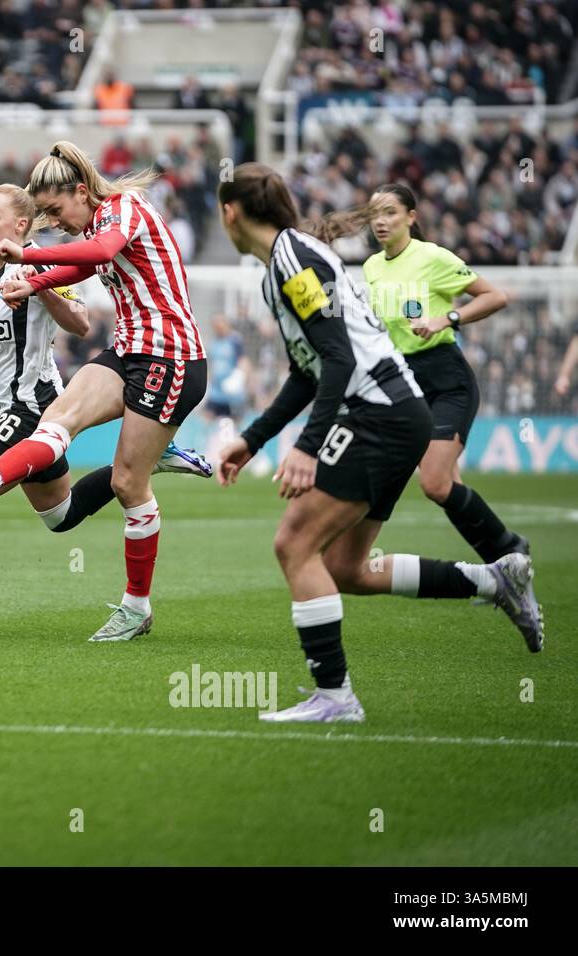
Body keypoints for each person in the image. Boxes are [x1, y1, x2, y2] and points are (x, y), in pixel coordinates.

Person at [212, 164, 543, 723]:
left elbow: (338, 358)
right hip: (396, 412)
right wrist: (253, 439)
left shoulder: (292, 261)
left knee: (294, 543)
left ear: (231, 213)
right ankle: (494, 580)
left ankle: (335, 697)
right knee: (346, 567)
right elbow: (309, 370)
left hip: (379, 414)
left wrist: (306, 447)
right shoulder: (283, 265)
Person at [0, 140, 208, 642]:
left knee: (125, 484)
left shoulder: (124, 208)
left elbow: (99, 254)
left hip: (171, 355)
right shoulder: (87, 228)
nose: (57, 221)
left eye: (54, 211)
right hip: (127, 351)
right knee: (59, 429)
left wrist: (31, 263)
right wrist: (35, 282)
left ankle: (136, 607)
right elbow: (89, 264)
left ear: (79, 190)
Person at [365, 183, 529, 560]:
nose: (380, 221)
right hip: (406, 385)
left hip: (446, 381)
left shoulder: (432, 257)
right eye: (374, 213)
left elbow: (495, 296)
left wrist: (447, 318)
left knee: (435, 483)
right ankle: (504, 565)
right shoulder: (373, 267)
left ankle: (512, 548)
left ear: (411, 217)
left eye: (390, 212)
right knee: (448, 483)